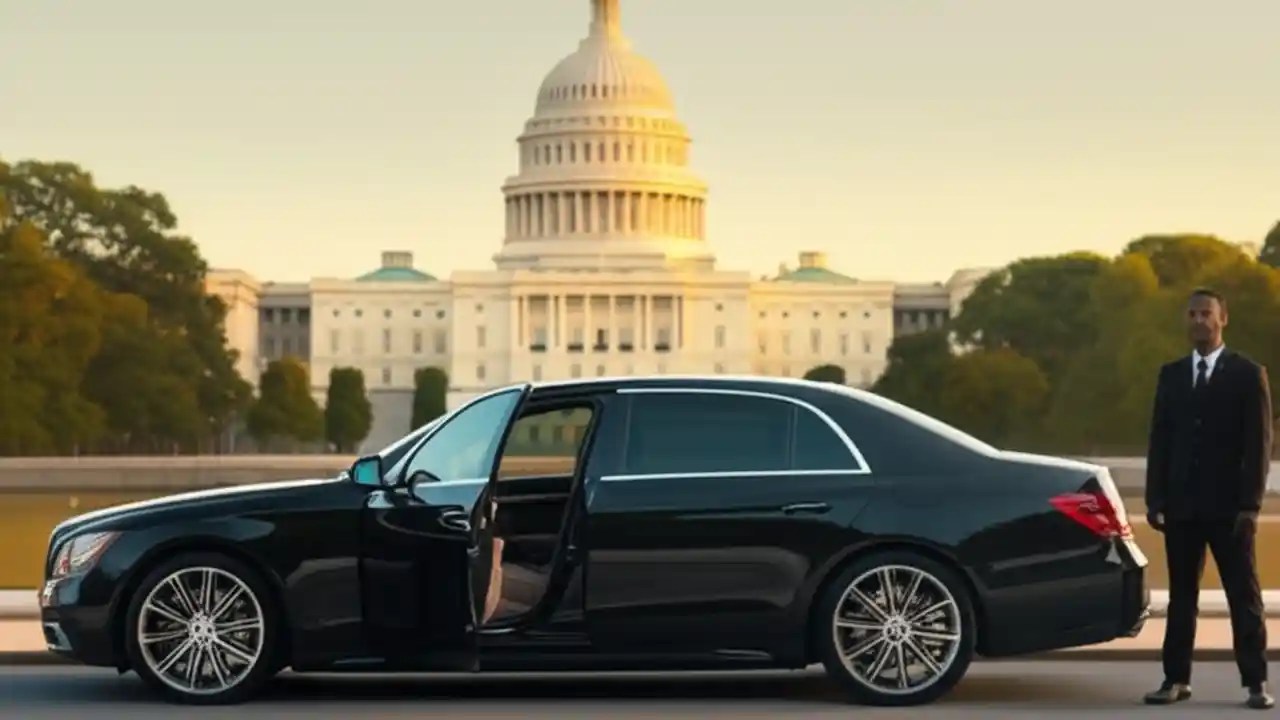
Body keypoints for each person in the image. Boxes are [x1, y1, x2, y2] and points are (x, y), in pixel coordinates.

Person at [1143, 287, 1275, 709]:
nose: (1199, 320)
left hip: (1230, 510)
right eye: (1193, 314)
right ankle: (1175, 679)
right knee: (1182, 598)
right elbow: (1160, 440)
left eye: (1206, 314)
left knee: (1244, 594)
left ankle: (1255, 683)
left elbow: (1259, 446)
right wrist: (1155, 497)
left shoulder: (1247, 374)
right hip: (1181, 508)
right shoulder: (1172, 374)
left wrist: (1250, 506)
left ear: (1223, 319)